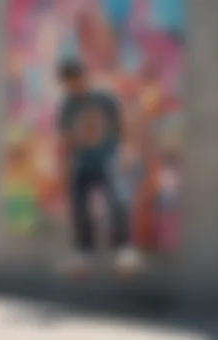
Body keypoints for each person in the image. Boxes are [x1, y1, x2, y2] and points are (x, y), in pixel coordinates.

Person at [56, 59, 142, 278]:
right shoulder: (67, 105)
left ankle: (123, 248)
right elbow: (66, 139)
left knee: (117, 197)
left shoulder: (104, 98)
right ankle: (85, 251)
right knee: (78, 203)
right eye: (69, 84)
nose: (74, 87)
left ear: (84, 77)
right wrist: (65, 169)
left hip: (108, 157)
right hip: (83, 160)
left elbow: (124, 123)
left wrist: (127, 149)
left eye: (76, 82)